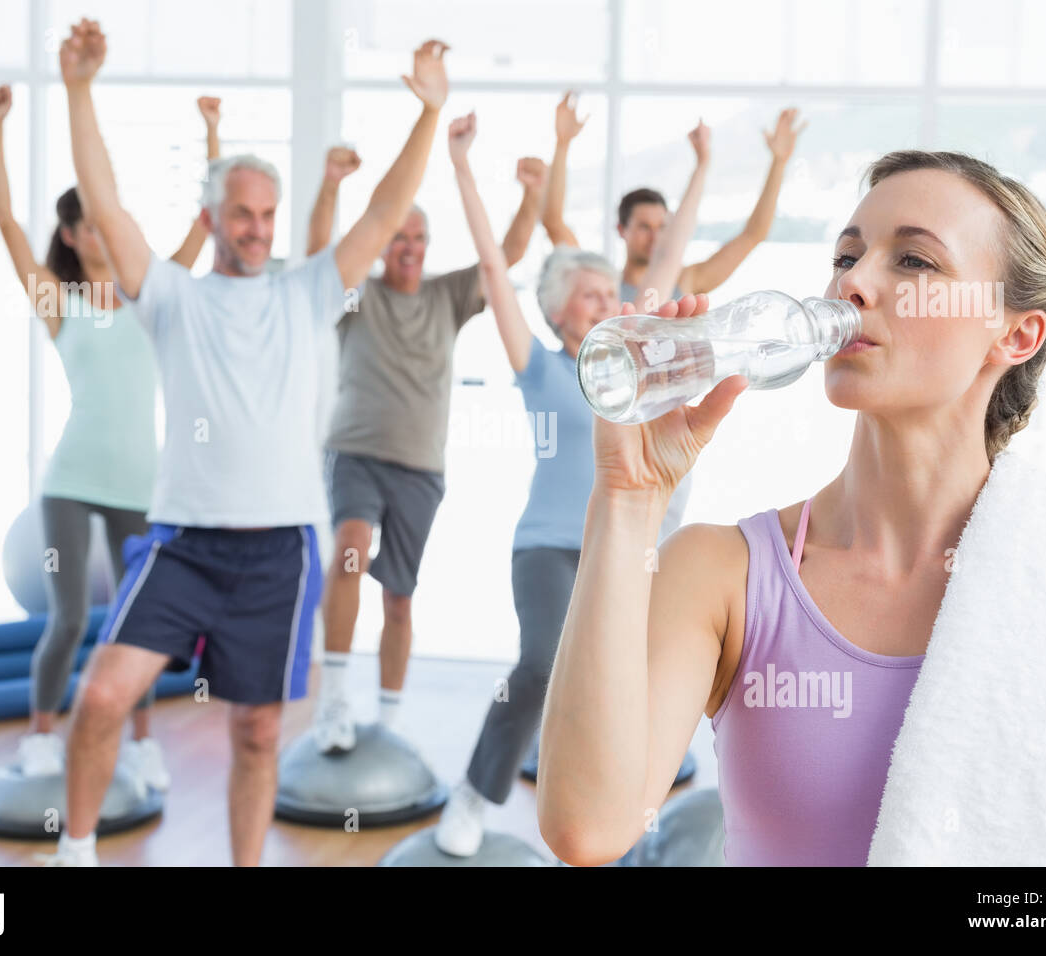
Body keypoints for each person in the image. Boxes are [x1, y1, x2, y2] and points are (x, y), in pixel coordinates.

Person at [535, 150, 1046, 867]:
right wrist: (627, 500)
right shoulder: (722, 575)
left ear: (1015, 334)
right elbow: (587, 828)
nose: (852, 282)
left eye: (915, 262)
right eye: (846, 255)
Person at [45, 18, 450, 867]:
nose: (258, 227)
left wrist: (427, 115)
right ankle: (74, 852)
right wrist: (79, 90)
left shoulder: (307, 292)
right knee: (102, 697)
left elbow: (379, 214)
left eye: (267, 214)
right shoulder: (171, 297)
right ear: (212, 217)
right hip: (185, 543)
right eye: (242, 214)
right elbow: (108, 202)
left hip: (280, 553)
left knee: (260, 732)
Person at [431, 110, 707, 857]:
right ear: (556, 313)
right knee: (543, 662)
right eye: (590, 295)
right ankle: (473, 793)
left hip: (639, 551)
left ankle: (622, 814)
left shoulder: (643, 368)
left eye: (613, 293)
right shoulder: (543, 366)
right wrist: (461, 166)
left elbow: (670, 257)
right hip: (551, 547)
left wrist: (702, 170)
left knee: (639, 680)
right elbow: (493, 269)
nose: (608, 302)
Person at [0, 84, 222, 790]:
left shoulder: (148, 294)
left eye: (106, 222)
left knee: (140, 625)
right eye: (88, 224)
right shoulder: (58, 303)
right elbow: (5, 224)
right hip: (68, 483)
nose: (101, 232)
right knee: (64, 620)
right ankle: (39, 739)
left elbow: (206, 224)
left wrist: (213, 129)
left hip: (135, 486)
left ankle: (143, 744)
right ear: (70, 234)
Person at [306, 145, 547, 752]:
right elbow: (319, 261)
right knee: (351, 551)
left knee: (398, 597)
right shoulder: (358, 297)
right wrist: (332, 185)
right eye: (396, 236)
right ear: (381, 243)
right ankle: (333, 700)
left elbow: (508, 254)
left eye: (417, 236)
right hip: (355, 453)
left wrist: (532, 193)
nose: (407, 246)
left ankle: (387, 719)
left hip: (420, 469)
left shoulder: (446, 295)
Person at [542, 91, 804, 305]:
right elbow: (554, 224)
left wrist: (779, 163)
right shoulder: (604, 287)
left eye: (662, 227)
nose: (655, 237)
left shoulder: (686, 281)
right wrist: (562, 143)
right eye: (644, 227)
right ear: (621, 230)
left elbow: (753, 235)